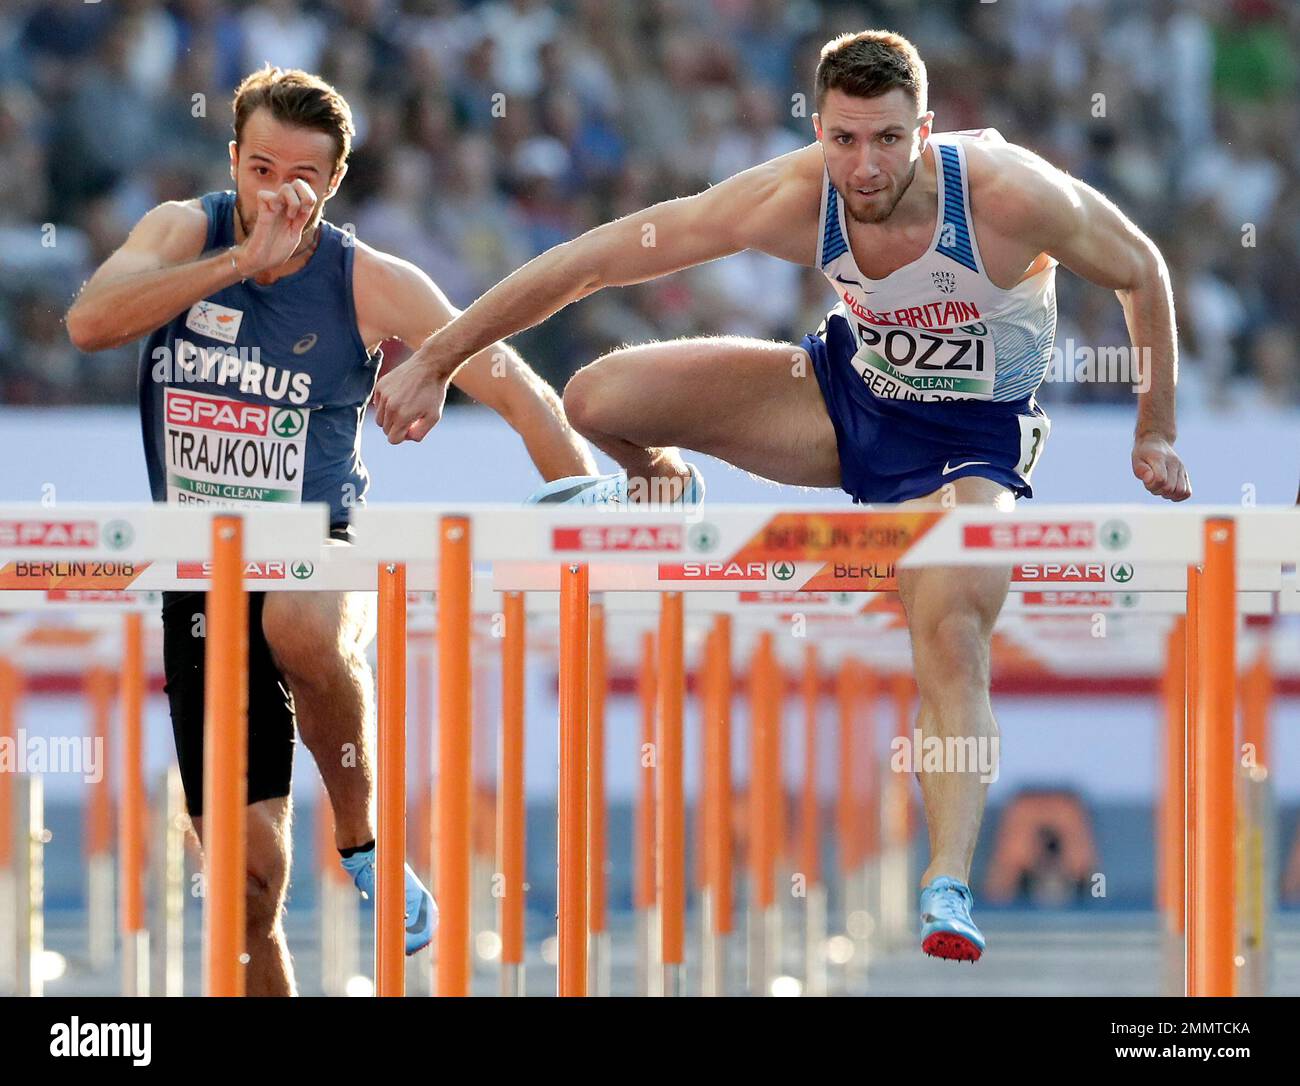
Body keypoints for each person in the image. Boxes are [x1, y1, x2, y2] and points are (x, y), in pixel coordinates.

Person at [372, 30, 1192, 963]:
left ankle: (948, 879)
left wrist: (1154, 427)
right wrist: (436, 359)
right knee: (599, 397)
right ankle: (654, 484)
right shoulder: (796, 195)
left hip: (973, 447)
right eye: (844, 140)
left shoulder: (1006, 194)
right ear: (819, 127)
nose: (864, 165)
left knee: (954, 627)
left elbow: (1141, 271)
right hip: (845, 403)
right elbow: (591, 261)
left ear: (926, 131)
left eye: (887, 141)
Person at [65, 66, 596, 994]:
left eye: (301, 178)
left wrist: (591, 502)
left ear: (336, 183)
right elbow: (89, 323)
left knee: (300, 622)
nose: (278, 194)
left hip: (324, 545)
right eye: (260, 169)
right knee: (244, 889)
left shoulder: (370, 280)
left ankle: (365, 844)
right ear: (232, 160)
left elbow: (517, 389)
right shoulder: (181, 231)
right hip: (201, 579)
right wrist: (238, 264)